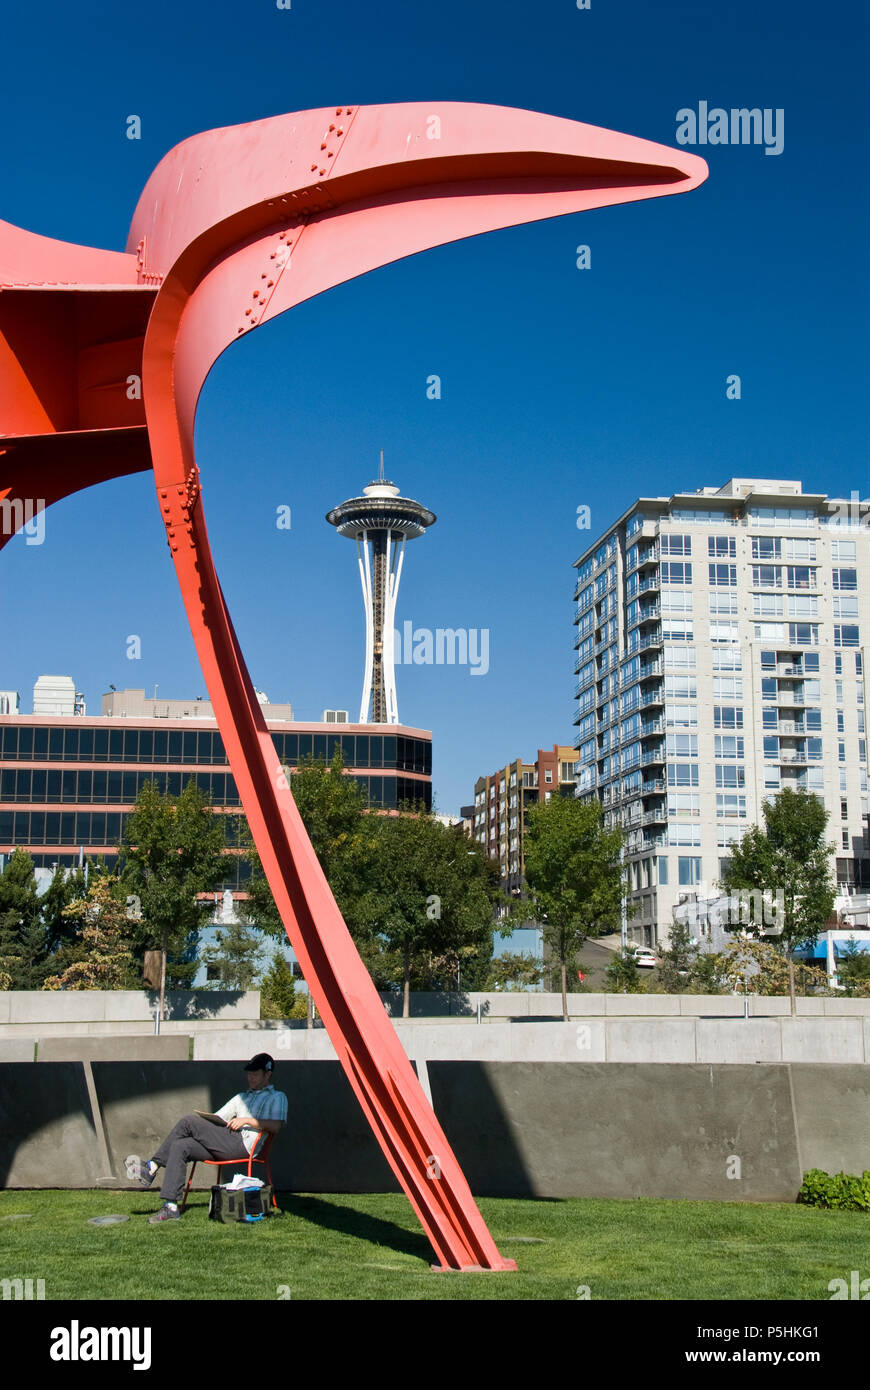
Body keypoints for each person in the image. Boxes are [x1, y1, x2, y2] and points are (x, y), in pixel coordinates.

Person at [125, 1052, 287, 1224]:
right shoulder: (242, 1097)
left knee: (188, 1121)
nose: (250, 1077)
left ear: (267, 1074)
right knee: (181, 1146)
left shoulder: (277, 1097)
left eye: (255, 1074)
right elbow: (219, 1116)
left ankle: (152, 1167)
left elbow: (275, 1126)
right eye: (249, 1073)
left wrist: (246, 1120)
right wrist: (210, 1121)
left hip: (244, 1146)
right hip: (225, 1141)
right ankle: (171, 1207)